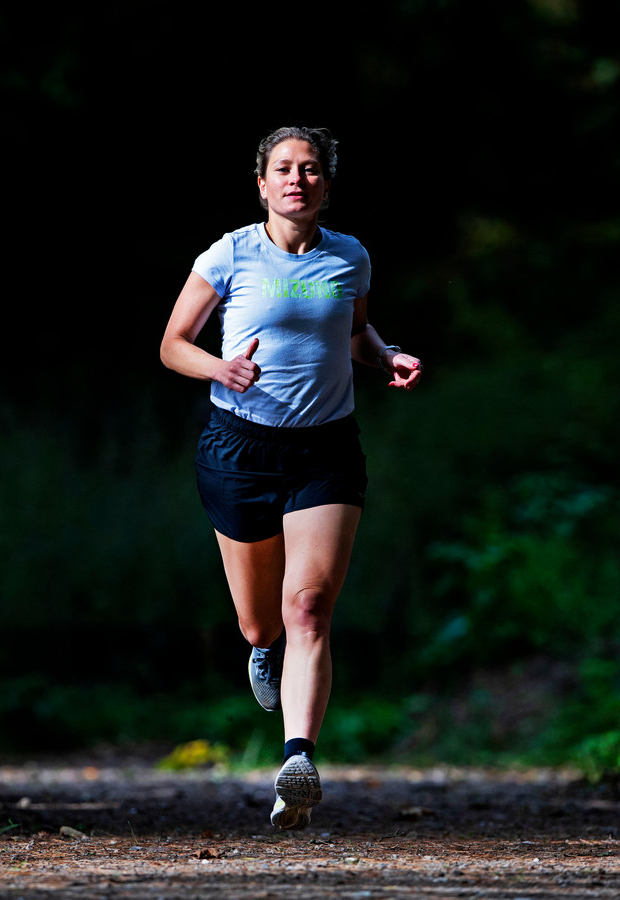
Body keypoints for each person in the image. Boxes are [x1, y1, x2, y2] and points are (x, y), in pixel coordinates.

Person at [160, 126, 422, 830]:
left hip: (326, 453)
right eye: (284, 169)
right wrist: (220, 367)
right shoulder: (230, 253)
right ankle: (263, 650)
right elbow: (172, 345)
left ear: (327, 186)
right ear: (262, 183)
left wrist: (386, 354)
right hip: (239, 450)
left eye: (310, 170)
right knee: (260, 619)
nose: (297, 180)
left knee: (308, 606)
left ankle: (297, 761)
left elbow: (356, 333)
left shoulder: (350, 257)